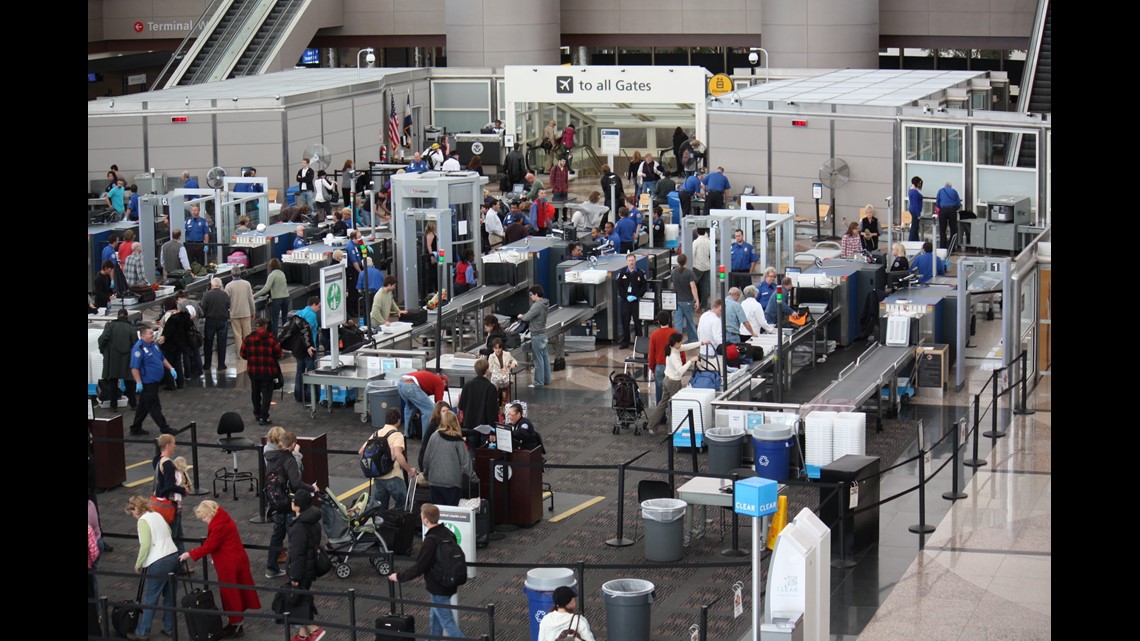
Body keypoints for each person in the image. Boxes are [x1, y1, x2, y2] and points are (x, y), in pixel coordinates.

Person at [179, 500, 261, 638]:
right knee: (236, 593)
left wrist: (190, 554)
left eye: (204, 517)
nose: (204, 520)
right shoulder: (223, 518)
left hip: (229, 565)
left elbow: (209, 545)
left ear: (210, 513)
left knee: (231, 595)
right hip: (235, 561)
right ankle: (235, 623)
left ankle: (236, 625)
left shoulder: (219, 526)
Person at [388, 503, 465, 640]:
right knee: (435, 620)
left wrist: (399, 576)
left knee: (448, 624)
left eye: (421, 516)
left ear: (426, 520)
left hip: (437, 587)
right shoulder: (448, 533)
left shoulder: (430, 541)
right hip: (449, 583)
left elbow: (419, 567)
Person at [124, 495, 179, 641]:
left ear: (136, 508)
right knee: (169, 596)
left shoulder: (143, 521)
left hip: (158, 561)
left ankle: (143, 632)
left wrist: (138, 563)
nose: (133, 516)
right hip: (173, 555)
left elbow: (146, 545)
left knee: (150, 598)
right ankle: (169, 628)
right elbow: (169, 531)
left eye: (132, 512)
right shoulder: (156, 515)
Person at [264, 429, 307, 579]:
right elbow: (296, 482)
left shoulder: (270, 456)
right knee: (293, 535)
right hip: (287, 500)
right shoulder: (289, 459)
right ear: (293, 444)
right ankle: (294, 572)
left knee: (277, 534)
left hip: (275, 500)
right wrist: (312, 488)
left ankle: (271, 568)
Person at [285, 486, 326, 641]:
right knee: (302, 600)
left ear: (297, 505)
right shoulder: (312, 520)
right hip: (310, 568)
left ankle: (314, 629)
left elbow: (297, 553)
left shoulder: (299, 527)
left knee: (298, 601)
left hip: (301, 571)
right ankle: (303, 635)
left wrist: (294, 576)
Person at [358, 408, 415, 510]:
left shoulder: (376, 434)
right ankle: (397, 524)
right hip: (393, 476)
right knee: (402, 505)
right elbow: (398, 454)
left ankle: (383, 525)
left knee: (380, 509)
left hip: (378, 477)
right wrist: (409, 470)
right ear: (398, 420)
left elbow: (361, 452)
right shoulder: (397, 435)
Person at [421, 409, 477, 506]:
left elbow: (426, 459)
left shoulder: (434, 436)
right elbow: (466, 463)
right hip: (452, 483)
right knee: (451, 512)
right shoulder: (458, 441)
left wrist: (426, 475)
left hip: (435, 481)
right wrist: (474, 478)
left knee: (438, 512)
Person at [128, 326, 177, 436]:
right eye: (150, 333)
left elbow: (161, 357)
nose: (153, 335)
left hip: (155, 382)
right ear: (143, 335)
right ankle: (164, 428)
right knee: (154, 406)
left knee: (143, 406)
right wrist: (139, 382)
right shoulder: (138, 349)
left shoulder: (154, 344)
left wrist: (171, 368)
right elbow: (134, 368)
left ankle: (135, 428)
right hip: (147, 383)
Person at [240, 317, 283, 426]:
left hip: (253, 371)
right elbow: (278, 354)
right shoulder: (271, 339)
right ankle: (264, 417)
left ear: (256, 326)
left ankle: (257, 413)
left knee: (255, 392)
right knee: (266, 394)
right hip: (267, 371)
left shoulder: (248, 339)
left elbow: (242, 354)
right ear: (265, 326)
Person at [99, 308, 139, 410]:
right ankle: (133, 405)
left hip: (113, 359)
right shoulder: (131, 328)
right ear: (126, 316)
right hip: (127, 359)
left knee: (113, 382)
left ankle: (113, 406)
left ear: (117, 316)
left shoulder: (110, 326)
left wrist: (104, 351)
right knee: (129, 382)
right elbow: (136, 345)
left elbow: (102, 339)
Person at [152, 434, 185, 553]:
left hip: (159, 502)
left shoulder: (156, 459)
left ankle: (181, 565)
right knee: (174, 536)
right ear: (167, 446)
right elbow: (169, 486)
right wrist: (183, 490)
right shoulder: (168, 464)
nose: (174, 446)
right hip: (170, 504)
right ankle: (175, 565)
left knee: (178, 535)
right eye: (173, 444)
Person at [457, 358, 500, 446]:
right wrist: (493, 431)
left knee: (473, 451)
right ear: (487, 370)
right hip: (485, 428)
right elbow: (492, 411)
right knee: (484, 453)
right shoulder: (490, 388)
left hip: (469, 426)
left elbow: (461, 406)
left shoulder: (467, 386)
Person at [398, 370, 450, 437]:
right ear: (444, 381)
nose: (443, 389)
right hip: (410, 385)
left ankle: (407, 434)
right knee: (429, 410)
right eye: (444, 388)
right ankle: (426, 437)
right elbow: (439, 402)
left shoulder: (431, 378)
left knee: (410, 407)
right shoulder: (440, 382)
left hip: (400, 384)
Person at [518, 285, 551, 388]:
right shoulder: (545, 303)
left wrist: (521, 316)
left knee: (538, 359)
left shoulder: (537, 305)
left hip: (536, 334)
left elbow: (527, 317)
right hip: (543, 333)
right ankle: (547, 379)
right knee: (545, 357)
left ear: (536, 294)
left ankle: (538, 382)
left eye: (531, 295)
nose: (531, 297)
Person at [615, 253, 648, 349]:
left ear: (635, 261)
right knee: (625, 322)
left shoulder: (641, 273)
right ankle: (626, 341)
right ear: (626, 262)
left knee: (638, 322)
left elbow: (644, 287)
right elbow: (619, 287)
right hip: (625, 302)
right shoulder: (622, 273)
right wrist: (626, 296)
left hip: (636, 302)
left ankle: (639, 342)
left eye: (633, 260)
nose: (631, 262)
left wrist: (637, 296)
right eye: (629, 260)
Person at [293, 296, 321, 403]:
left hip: (298, 349)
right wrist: (309, 346)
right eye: (318, 306)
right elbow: (306, 332)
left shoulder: (300, 312)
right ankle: (311, 396)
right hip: (309, 348)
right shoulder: (311, 315)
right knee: (311, 373)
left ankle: (299, 396)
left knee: (299, 372)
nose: (319, 309)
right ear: (313, 305)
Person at [199, 277, 230, 371]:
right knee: (222, 343)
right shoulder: (225, 295)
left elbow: (203, 308)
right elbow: (228, 306)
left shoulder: (207, 295)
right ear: (220, 286)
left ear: (211, 285)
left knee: (208, 343)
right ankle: (221, 365)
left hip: (210, 321)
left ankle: (207, 365)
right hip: (223, 321)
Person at [647, 310, 676, 404]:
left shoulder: (654, 335)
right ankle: (673, 414)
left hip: (659, 366)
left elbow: (651, 353)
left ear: (658, 321)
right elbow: (680, 351)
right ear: (669, 320)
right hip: (672, 366)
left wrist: (652, 368)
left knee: (659, 393)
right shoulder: (674, 333)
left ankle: (660, 416)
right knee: (673, 393)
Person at [254, 258, 290, 335]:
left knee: (275, 321)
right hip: (286, 298)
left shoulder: (272, 275)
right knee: (285, 319)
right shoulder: (282, 273)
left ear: (271, 266)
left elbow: (266, 288)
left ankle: (275, 339)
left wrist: (254, 295)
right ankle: (285, 337)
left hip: (277, 299)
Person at [671, 254, 700, 342]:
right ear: (686, 261)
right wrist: (697, 300)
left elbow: (672, 286)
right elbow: (693, 287)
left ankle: (677, 341)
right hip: (687, 301)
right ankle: (693, 340)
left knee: (678, 323)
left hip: (677, 301)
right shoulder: (689, 273)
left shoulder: (674, 272)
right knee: (690, 323)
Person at [225, 266, 257, 344]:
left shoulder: (228, 286)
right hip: (246, 313)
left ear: (231, 274)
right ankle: (248, 353)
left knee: (237, 336)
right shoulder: (247, 284)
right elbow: (251, 300)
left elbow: (226, 301)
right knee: (247, 335)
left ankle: (241, 355)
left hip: (234, 314)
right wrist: (253, 312)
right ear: (240, 273)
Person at [419, 401, 453, 473]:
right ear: (438, 413)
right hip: (430, 460)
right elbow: (424, 446)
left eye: (448, 411)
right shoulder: (433, 425)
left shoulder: (447, 422)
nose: (446, 413)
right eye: (444, 411)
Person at [487, 338, 517, 408]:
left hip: (506, 379)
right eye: (495, 348)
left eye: (499, 348)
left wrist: (511, 365)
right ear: (493, 348)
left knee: (505, 396)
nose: (497, 350)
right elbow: (490, 369)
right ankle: (497, 410)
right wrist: (500, 370)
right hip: (496, 381)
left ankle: (505, 409)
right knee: (496, 396)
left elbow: (514, 361)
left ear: (501, 347)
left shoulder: (507, 354)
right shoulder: (491, 357)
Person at [935, 181, 962, 248]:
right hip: (952, 210)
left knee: (942, 229)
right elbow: (958, 204)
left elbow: (937, 203)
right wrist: (954, 209)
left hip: (943, 210)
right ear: (951, 186)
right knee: (953, 229)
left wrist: (941, 208)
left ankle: (942, 246)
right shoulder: (954, 191)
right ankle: (952, 247)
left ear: (945, 186)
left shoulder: (940, 191)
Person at [692, 227, 712, 307]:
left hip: (697, 266)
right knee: (705, 287)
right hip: (707, 267)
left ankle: (695, 303)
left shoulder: (696, 242)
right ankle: (704, 305)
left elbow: (692, 254)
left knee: (693, 285)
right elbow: (711, 254)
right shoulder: (709, 242)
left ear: (697, 232)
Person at [907, 176, 924, 243]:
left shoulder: (911, 190)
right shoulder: (914, 192)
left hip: (912, 210)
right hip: (915, 211)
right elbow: (915, 204)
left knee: (915, 227)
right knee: (914, 227)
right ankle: (911, 241)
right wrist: (918, 214)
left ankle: (916, 241)